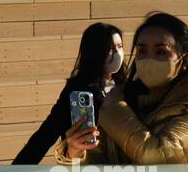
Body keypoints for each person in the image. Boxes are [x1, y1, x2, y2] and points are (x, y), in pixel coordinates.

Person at [57, 12, 188, 165]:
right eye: (142, 51)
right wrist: (74, 153)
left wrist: (116, 110)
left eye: (161, 51)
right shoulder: (122, 98)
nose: (149, 58)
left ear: (184, 60)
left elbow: (157, 156)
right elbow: (95, 167)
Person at [12, 23, 125, 164]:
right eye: (110, 49)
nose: (117, 54)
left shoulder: (127, 86)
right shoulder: (77, 90)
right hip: (89, 169)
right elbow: (46, 134)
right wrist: (16, 170)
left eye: (120, 47)